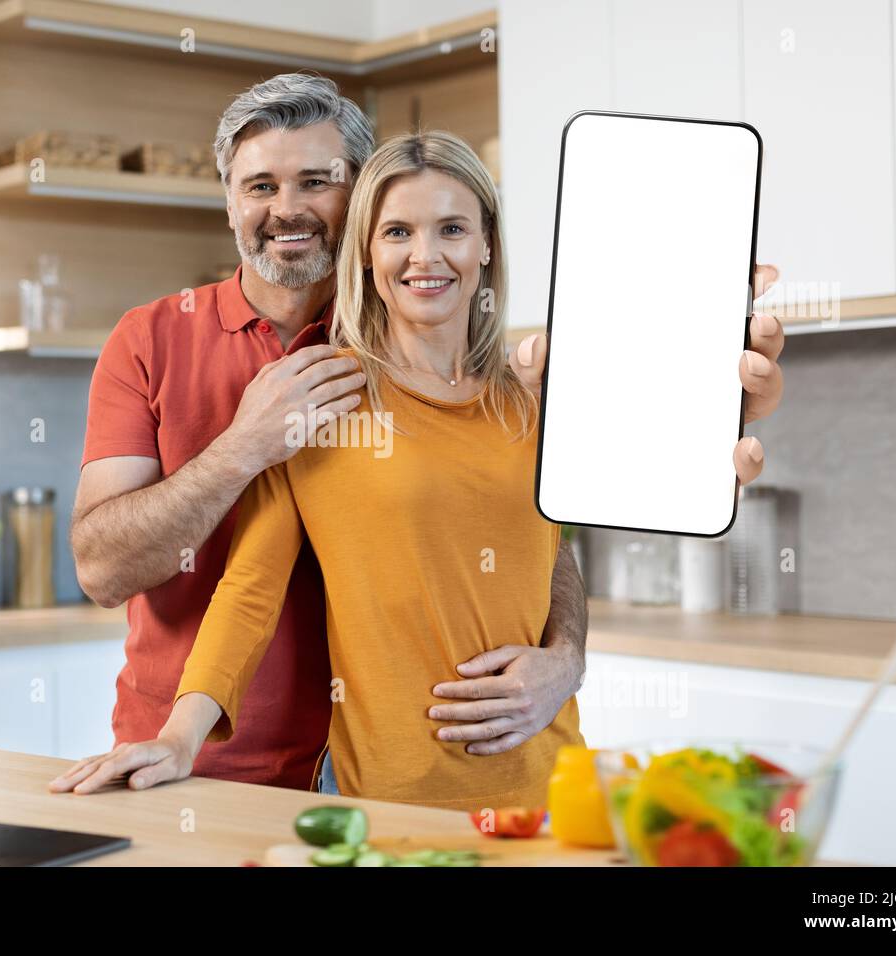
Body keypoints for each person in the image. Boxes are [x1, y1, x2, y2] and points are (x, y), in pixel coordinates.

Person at [56, 73, 784, 797]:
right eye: (400, 232)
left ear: (487, 245)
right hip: (307, 783)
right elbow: (237, 587)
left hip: (546, 784)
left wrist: (699, 374)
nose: (425, 256)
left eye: (316, 180)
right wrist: (180, 737)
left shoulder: (524, 394)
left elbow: (556, 532)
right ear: (370, 252)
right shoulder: (290, 389)